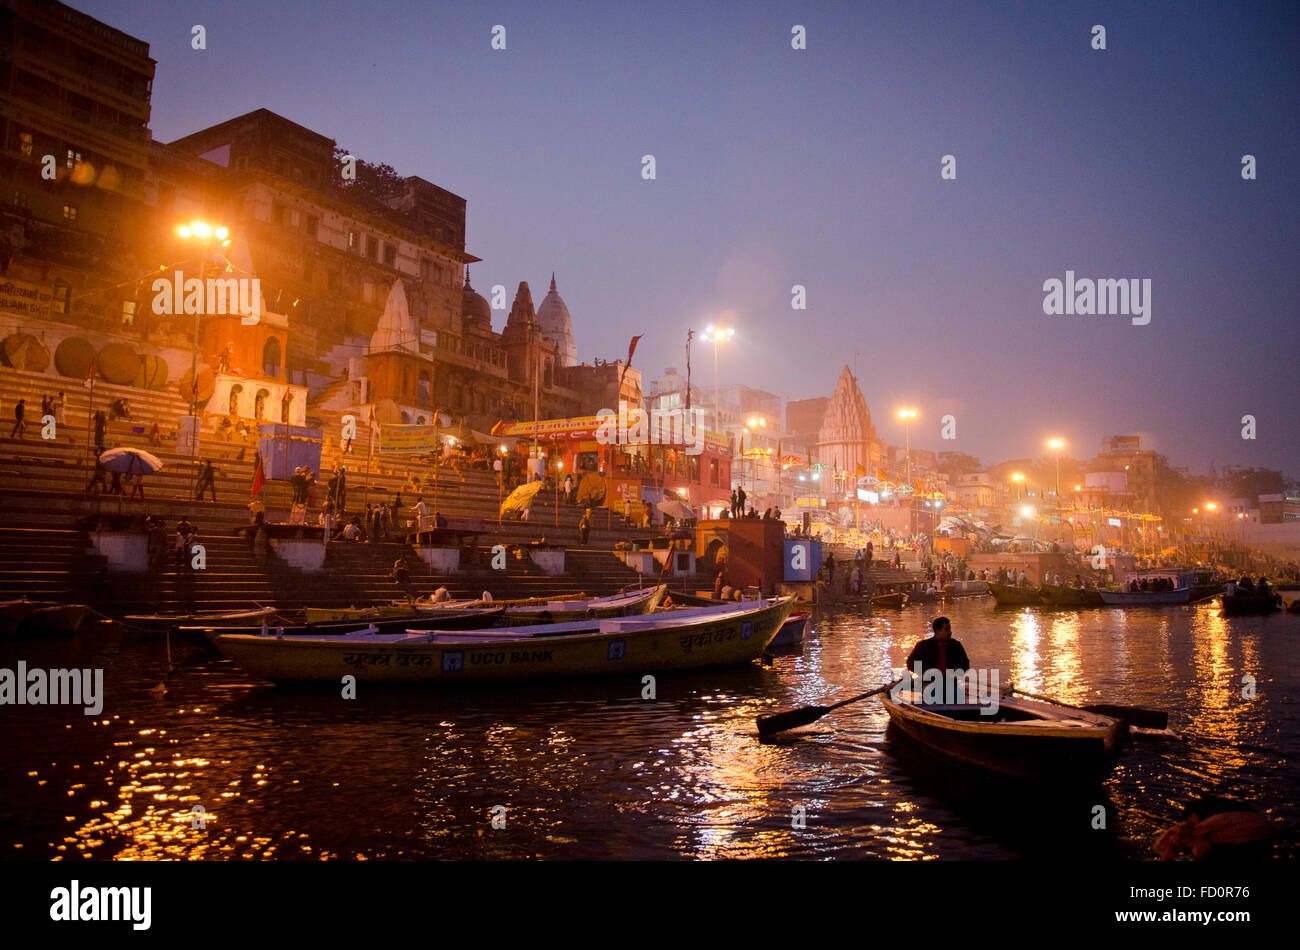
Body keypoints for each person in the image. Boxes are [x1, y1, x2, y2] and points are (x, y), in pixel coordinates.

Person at [905, 616, 971, 683]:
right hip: (929, 682)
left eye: (950, 629)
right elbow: (910, 663)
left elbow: (965, 663)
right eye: (947, 629)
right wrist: (926, 673)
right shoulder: (923, 646)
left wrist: (958, 673)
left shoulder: (955, 645)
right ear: (937, 631)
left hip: (950, 681)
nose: (950, 632)